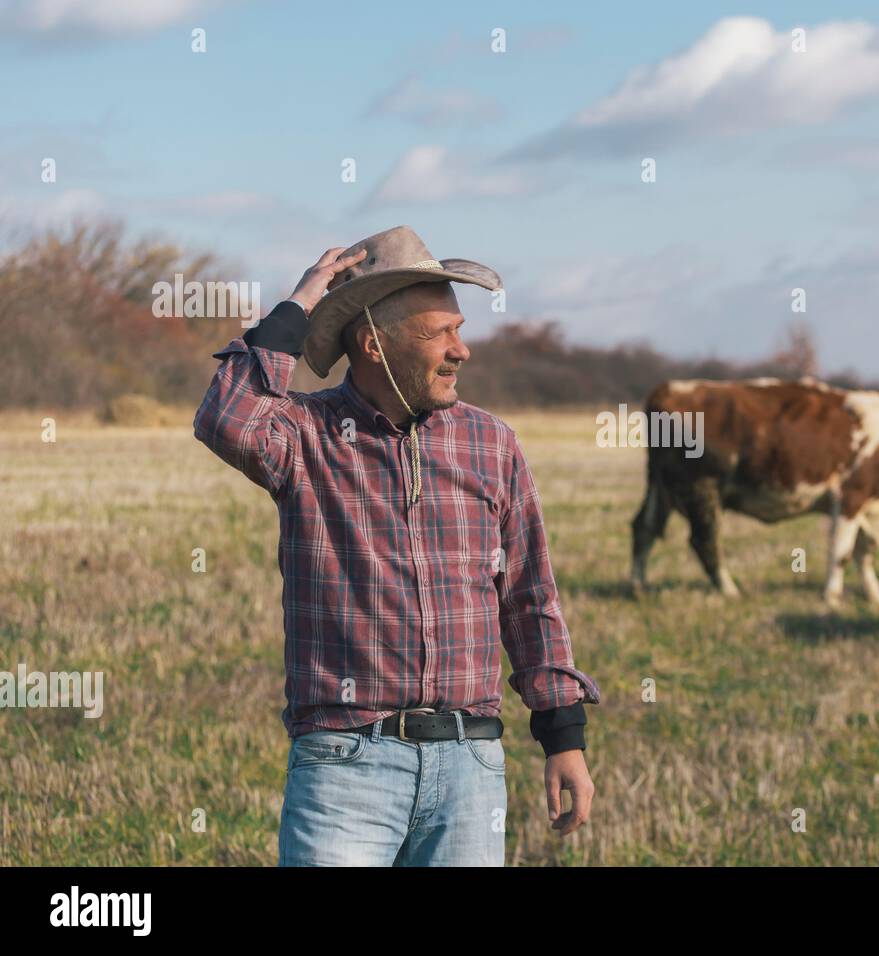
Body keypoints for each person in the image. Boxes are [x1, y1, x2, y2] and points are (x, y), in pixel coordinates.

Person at [194, 225, 599, 866]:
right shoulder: (307, 436)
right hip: (344, 766)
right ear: (373, 343)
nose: (460, 350)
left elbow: (529, 597)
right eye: (438, 334)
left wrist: (563, 738)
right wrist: (299, 305)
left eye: (458, 329)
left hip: (470, 765)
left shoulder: (491, 444)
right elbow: (227, 417)